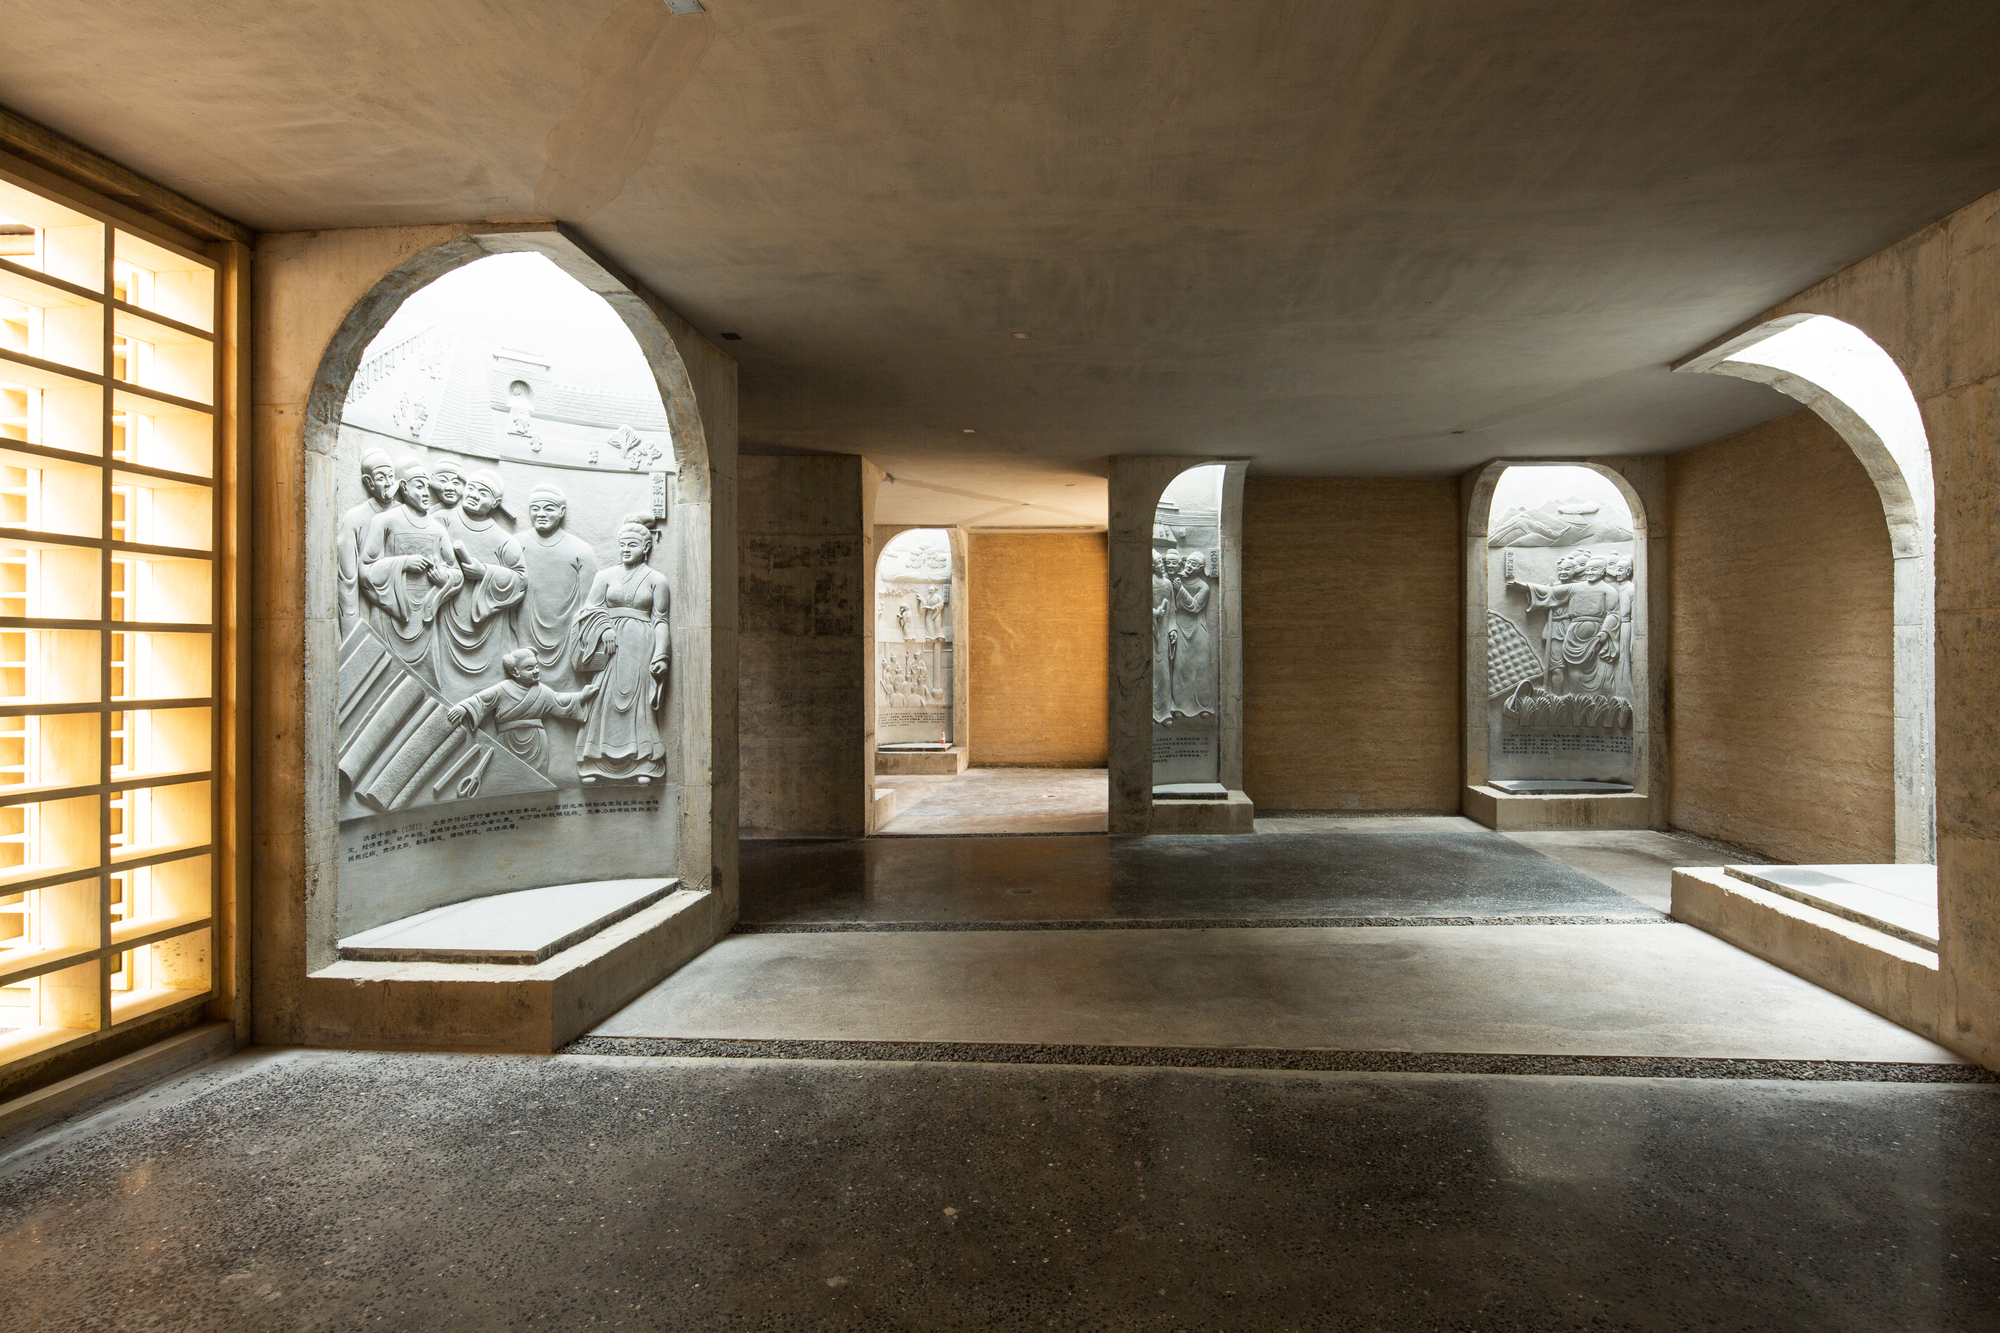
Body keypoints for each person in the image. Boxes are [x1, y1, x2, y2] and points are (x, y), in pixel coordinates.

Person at [572, 515, 671, 784]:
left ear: (646, 548)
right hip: (609, 647)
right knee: (602, 698)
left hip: (641, 645)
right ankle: (593, 760)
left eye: (632, 545)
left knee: (637, 702)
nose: (625, 550)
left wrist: (661, 655)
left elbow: (660, 620)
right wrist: (604, 627)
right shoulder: (604, 576)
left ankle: (644, 762)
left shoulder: (656, 580)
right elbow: (589, 610)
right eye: (622, 545)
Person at [357, 455, 461, 686]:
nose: (426, 493)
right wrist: (403, 563)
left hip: (424, 618)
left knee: (425, 686)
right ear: (404, 487)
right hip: (390, 617)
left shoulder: (437, 529)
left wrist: (445, 578)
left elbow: (456, 573)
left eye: (427, 488)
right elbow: (365, 570)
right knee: (383, 681)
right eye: (419, 486)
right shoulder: (385, 521)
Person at [436, 468, 529, 700]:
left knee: (484, 690)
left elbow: (520, 580)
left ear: (496, 502)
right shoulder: (440, 522)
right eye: (472, 488)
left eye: (483, 492)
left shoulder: (504, 540)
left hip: (486, 631)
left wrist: (485, 572)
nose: (475, 495)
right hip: (445, 618)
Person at [447, 648, 601, 778]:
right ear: (515, 671)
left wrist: (581, 696)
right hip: (508, 739)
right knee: (508, 775)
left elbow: (559, 701)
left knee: (537, 778)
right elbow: (481, 700)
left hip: (536, 743)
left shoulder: (541, 691)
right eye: (529, 668)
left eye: (536, 666)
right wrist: (464, 708)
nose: (536, 671)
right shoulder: (503, 689)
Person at [519, 485, 598, 691]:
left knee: (568, 691)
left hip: (566, 636)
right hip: (523, 629)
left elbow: (590, 603)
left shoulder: (581, 551)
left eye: (549, 508)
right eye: (535, 508)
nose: (541, 514)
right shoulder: (517, 544)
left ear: (562, 512)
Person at [337, 449, 397, 636]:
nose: (388, 483)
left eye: (391, 477)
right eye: (381, 478)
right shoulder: (355, 519)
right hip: (369, 612)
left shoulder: (405, 514)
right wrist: (352, 632)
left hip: (401, 616)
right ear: (368, 483)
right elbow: (347, 581)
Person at [1170, 550, 1216, 717]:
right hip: (1181, 627)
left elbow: (1196, 606)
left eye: (1194, 565)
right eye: (1188, 562)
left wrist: (1181, 589)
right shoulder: (1177, 580)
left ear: (1200, 569)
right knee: (1181, 667)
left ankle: (1204, 707)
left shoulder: (1204, 587)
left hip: (1197, 629)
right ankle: (1180, 707)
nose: (1189, 566)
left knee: (1201, 666)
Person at [1151, 551, 1173, 724]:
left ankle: (1165, 713)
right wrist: (1155, 612)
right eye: (1158, 562)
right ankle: (1150, 712)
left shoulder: (1168, 584)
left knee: (1164, 672)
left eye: (1161, 561)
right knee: (1151, 672)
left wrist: (1173, 630)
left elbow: (1172, 611)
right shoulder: (1147, 582)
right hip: (1151, 631)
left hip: (1164, 632)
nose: (1162, 565)